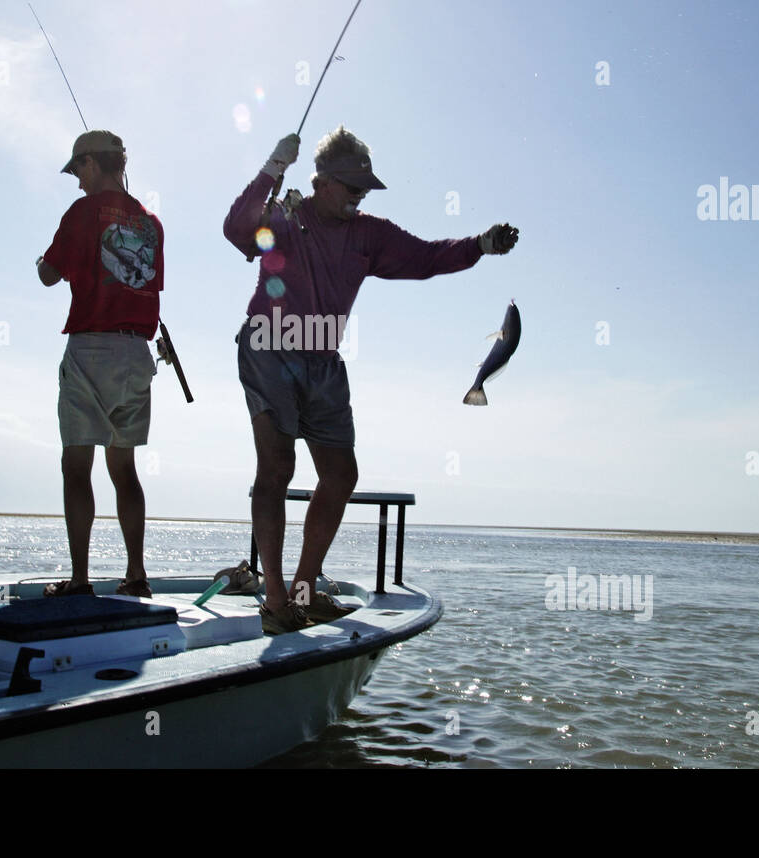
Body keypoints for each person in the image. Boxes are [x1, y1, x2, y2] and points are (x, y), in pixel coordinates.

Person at [224, 126, 518, 633]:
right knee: (277, 467)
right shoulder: (286, 216)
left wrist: (480, 245)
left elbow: (425, 258)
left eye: (365, 188)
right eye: (352, 186)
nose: (360, 196)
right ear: (320, 182)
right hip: (268, 345)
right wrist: (273, 167)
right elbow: (235, 231)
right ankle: (274, 599)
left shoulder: (369, 234)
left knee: (341, 475)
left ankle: (305, 589)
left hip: (323, 359)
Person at [37, 130, 163, 598]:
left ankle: (80, 580)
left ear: (92, 163)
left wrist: (42, 262)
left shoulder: (81, 213)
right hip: (134, 353)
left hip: (90, 348)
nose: (76, 182)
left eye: (77, 170)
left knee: (76, 466)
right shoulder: (151, 223)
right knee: (124, 469)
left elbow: (49, 275)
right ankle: (136, 577)